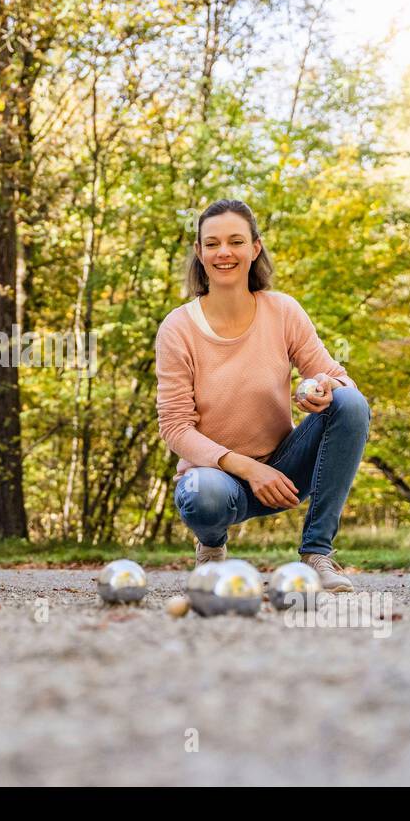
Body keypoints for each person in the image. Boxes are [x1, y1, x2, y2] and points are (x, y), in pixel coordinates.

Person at [154, 198, 371, 591]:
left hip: (285, 470)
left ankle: (317, 554)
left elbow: (341, 380)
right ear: (200, 252)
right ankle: (211, 544)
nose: (224, 252)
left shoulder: (283, 311)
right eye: (213, 243)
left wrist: (326, 389)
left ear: (255, 248)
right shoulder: (177, 328)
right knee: (203, 496)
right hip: (216, 479)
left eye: (236, 241)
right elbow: (175, 427)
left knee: (350, 403)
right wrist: (249, 469)